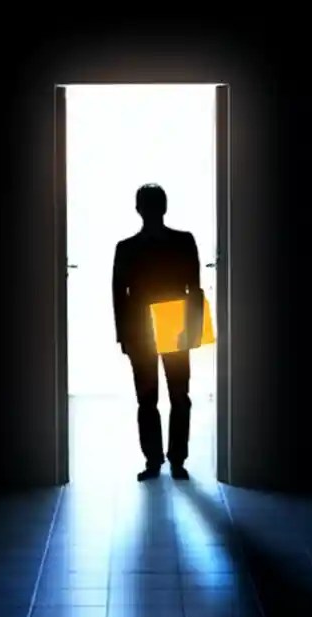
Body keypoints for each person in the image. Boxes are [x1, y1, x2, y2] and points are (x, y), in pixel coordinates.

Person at [112, 184, 201, 481]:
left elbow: (119, 294)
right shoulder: (182, 241)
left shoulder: (127, 247)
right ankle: (168, 460)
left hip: (152, 322)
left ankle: (163, 460)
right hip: (164, 320)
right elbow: (194, 288)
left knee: (165, 396)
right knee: (167, 396)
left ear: (138, 208)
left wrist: (123, 335)